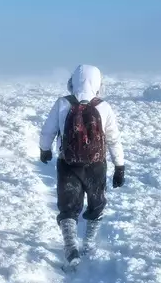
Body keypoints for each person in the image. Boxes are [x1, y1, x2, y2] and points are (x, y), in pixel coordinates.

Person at [38, 64, 125, 266]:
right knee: (96, 203)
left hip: (68, 164)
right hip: (96, 165)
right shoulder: (103, 107)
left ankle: (70, 247)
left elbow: (48, 130)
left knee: (68, 206)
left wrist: (45, 149)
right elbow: (113, 139)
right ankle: (88, 244)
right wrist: (119, 166)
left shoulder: (62, 103)